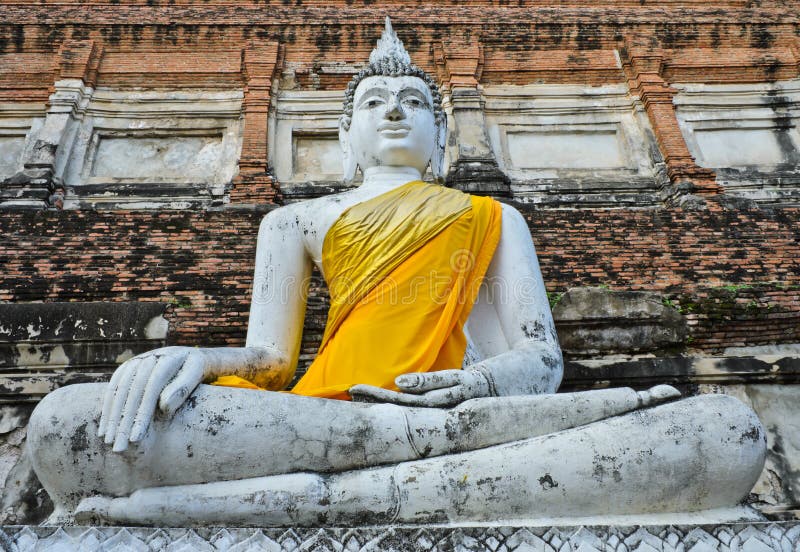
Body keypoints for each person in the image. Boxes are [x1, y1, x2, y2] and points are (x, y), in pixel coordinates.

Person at [26, 19, 766, 526]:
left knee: (726, 430)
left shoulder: (489, 216)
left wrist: (470, 386)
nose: (394, 113)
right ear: (345, 133)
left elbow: (540, 361)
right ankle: (363, 488)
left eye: (414, 103)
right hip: (325, 417)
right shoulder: (293, 221)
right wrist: (193, 356)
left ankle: (318, 498)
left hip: (461, 420)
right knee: (68, 425)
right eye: (374, 103)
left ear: (441, 134)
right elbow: (273, 363)